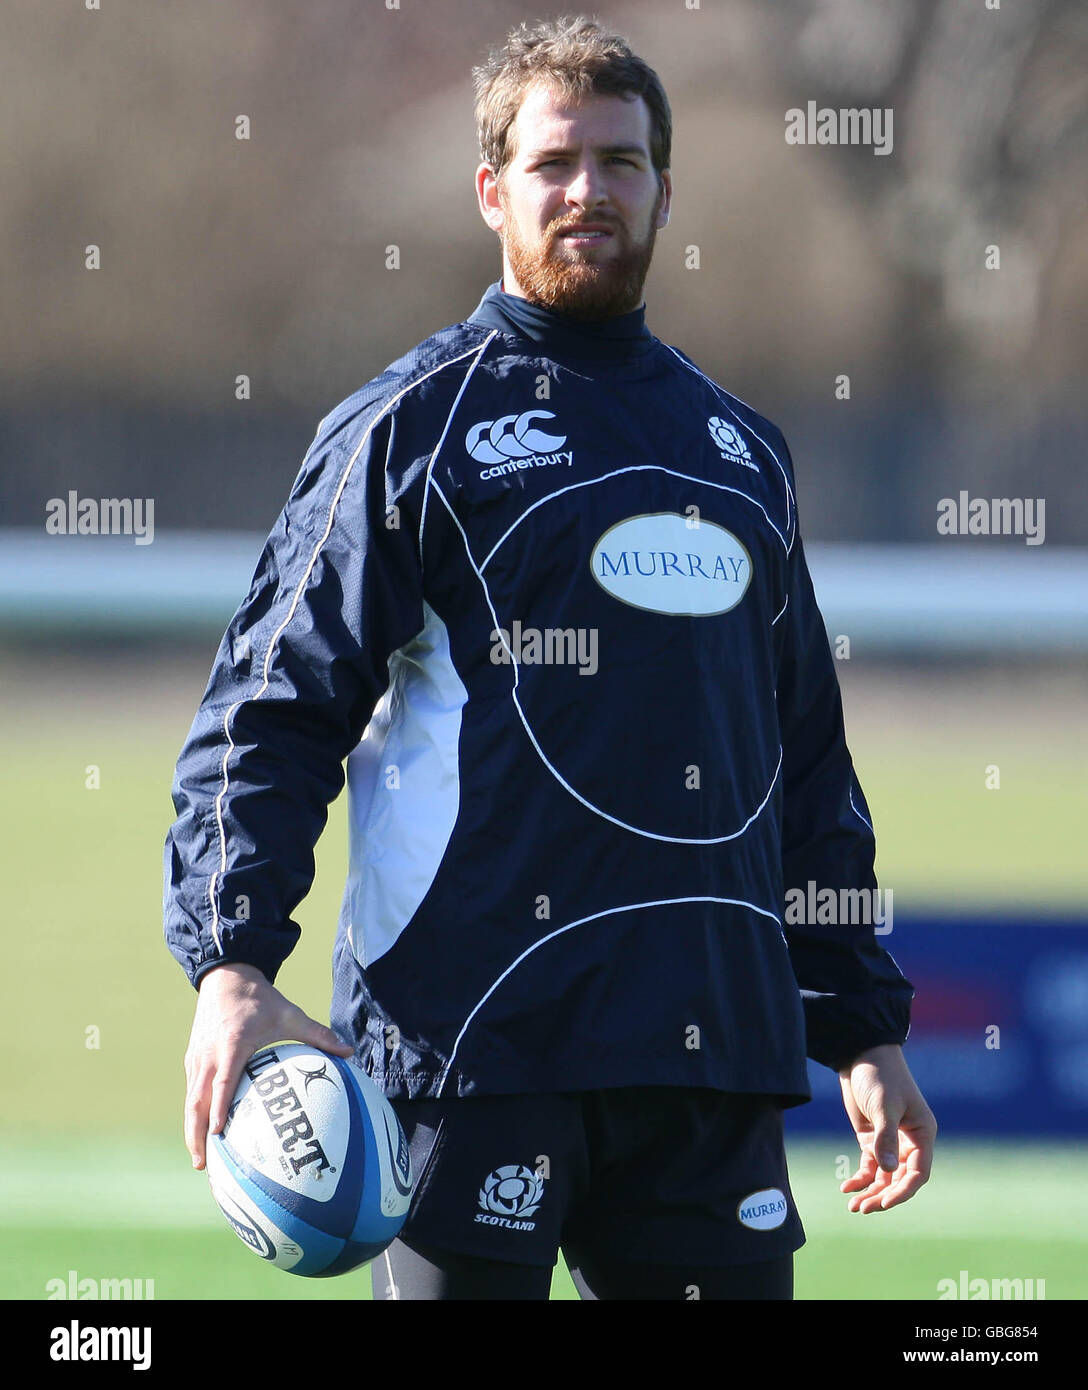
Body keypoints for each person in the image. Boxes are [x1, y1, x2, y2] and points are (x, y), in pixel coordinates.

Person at [165, 15, 936, 1301]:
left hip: (705, 1060)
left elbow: (803, 765)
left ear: (664, 190)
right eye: (553, 162)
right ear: (491, 191)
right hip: (474, 1050)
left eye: (621, 163)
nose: (589, 191)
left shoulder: (740, 454)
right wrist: (232, 959)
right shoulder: (407, 432)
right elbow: (267, 713)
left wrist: (859, 1022)